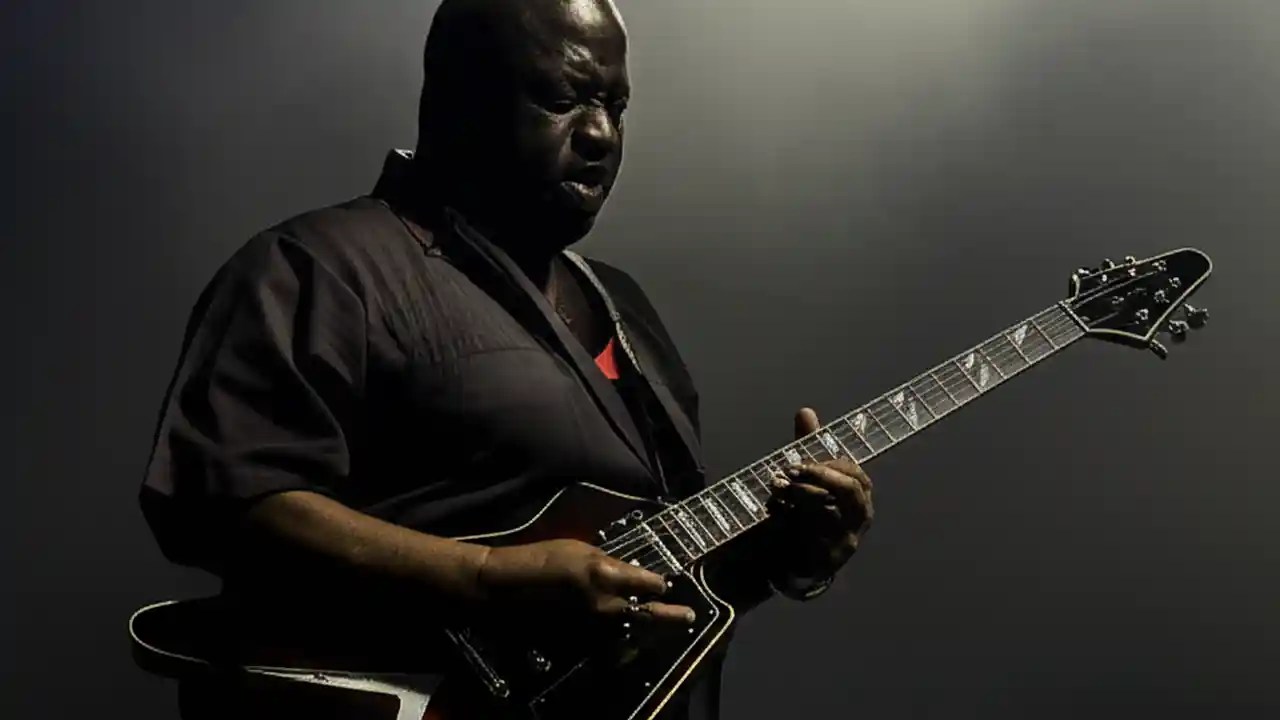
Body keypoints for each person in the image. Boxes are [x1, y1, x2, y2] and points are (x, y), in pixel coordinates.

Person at [138, 0, 874, 718]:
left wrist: (784, 555)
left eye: (616, 107)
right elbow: (221, 506)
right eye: (565, 97)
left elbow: (653, 586)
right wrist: (487, 577)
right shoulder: (318, 267)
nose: (601, 135)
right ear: (458, 95)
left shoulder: (626, 309)